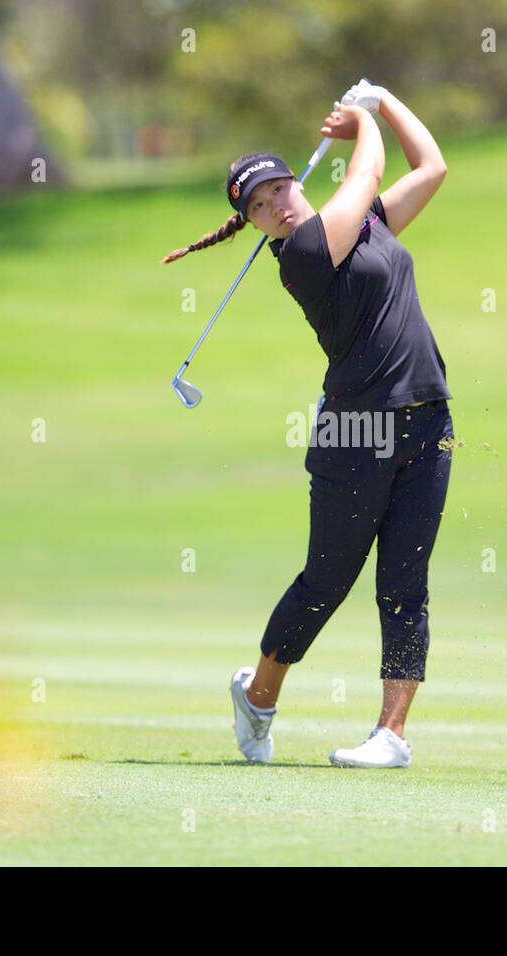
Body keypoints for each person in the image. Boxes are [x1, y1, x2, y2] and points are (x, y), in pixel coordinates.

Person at [161, 82, 455, 768]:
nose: (274, 208)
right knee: (327, 580)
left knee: (405, 584)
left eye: (277, 192)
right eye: (258, 207)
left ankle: (392, 736)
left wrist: (386, 100)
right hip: (355, 434)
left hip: (427, 423)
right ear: (255, 223)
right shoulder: (302, 254)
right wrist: (361, 120)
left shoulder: (367, 226)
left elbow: (432, 168)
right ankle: (258, 695)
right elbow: (369, 169)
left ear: (298, 182)